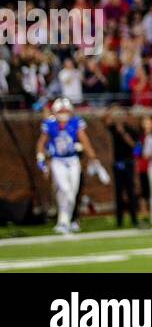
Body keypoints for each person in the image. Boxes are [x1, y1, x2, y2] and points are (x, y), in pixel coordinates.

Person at [36, 97, 103, 234]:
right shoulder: (50, 124)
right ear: (55, 112)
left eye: (65, 110)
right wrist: (41, 160)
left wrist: (94, 158)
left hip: (73, 160)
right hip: (58, 161)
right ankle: (64, 221)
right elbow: (41, 144)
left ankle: (65, 221)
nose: (63, 113)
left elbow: (84, 140)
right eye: (61, 111)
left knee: (72, 192)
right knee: (65, 189)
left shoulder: (75, 122)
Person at [105, 107, 140, 228]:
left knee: (131, 192)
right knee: (118, 193)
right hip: (118, 163)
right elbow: (105, 120)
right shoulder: (113, 128)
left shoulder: (131, 130)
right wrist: (113, 108)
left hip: (128, 162)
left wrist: (123, 133)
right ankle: (119, 220)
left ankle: (134, 219)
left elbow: (134, 146)